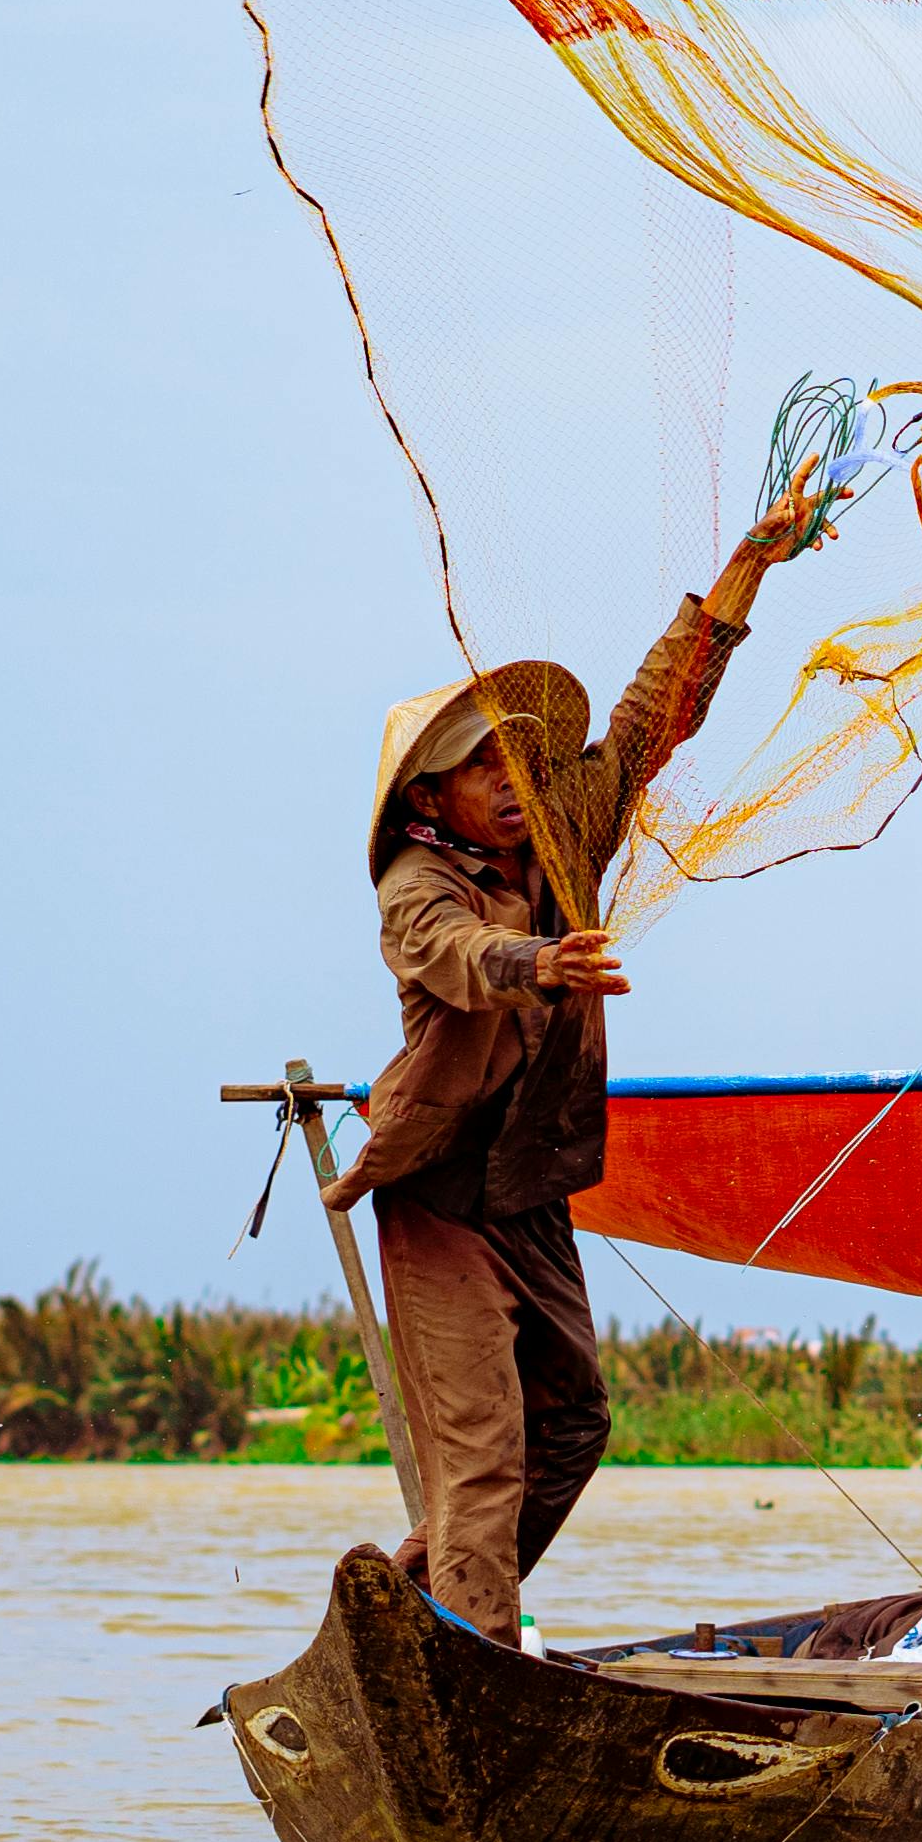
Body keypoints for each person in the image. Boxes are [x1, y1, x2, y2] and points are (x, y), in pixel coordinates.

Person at [324, 488, 834, 1637]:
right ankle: (476, 1655)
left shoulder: (565, 821)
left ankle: (418, 1612)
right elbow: (459, 956)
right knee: (484, 1449)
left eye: (519, 757)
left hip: (531, 1188)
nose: (513, 777)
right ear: (429, 795)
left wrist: (754, 564)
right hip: (444, 1191)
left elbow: (659, 712)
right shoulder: (418, 882)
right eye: (482, 765)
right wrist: (541, 961)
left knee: (575, 1423)